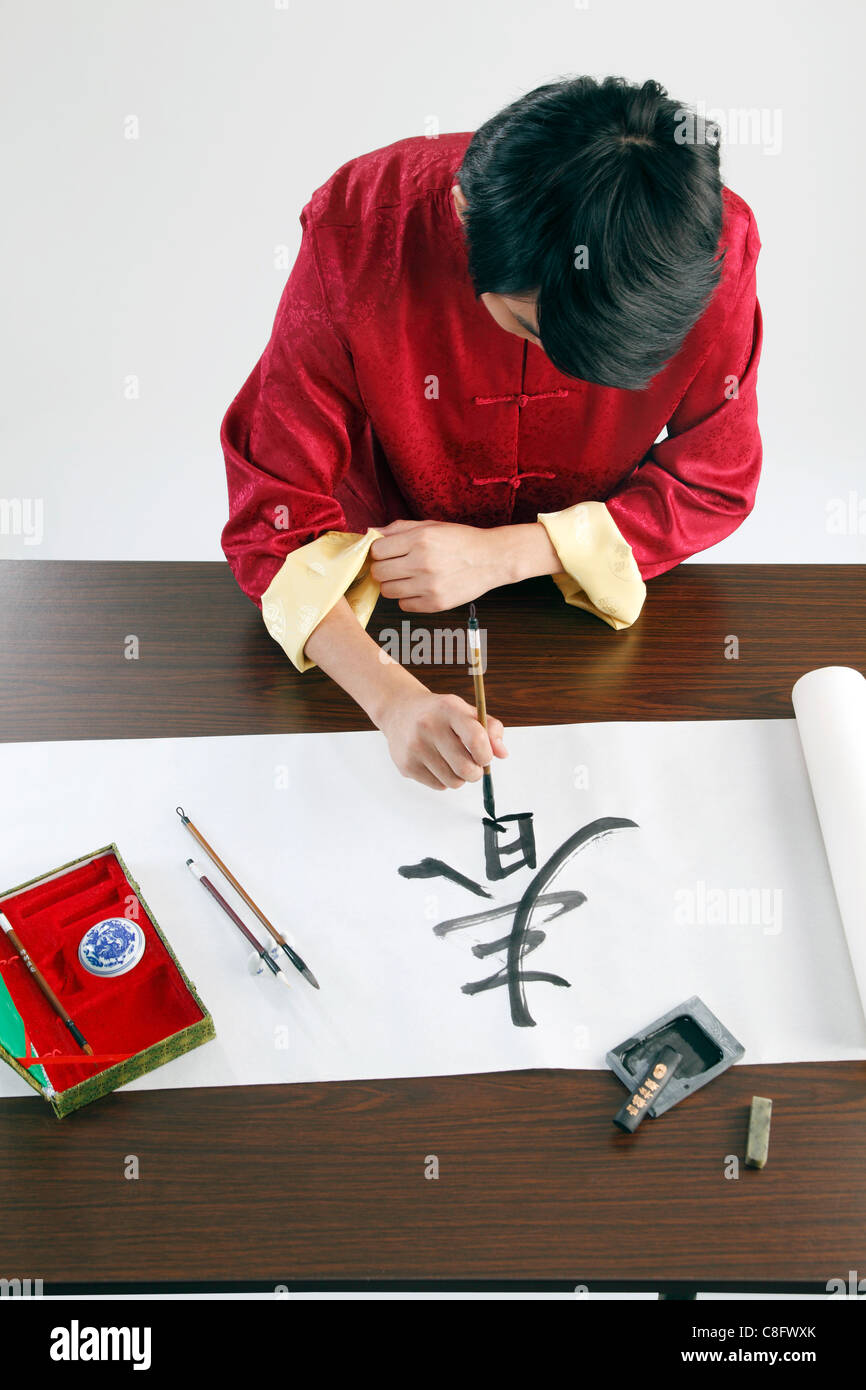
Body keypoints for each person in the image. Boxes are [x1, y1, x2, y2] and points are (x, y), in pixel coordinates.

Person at [221, 75, 762, 791]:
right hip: (383, 584)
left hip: (583, 595)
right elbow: (272, 512)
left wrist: (511, 553)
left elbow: (713, 482)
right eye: (528, 326)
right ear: (463, 211)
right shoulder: (360, 224)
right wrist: (391, 699)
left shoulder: (707, 251)